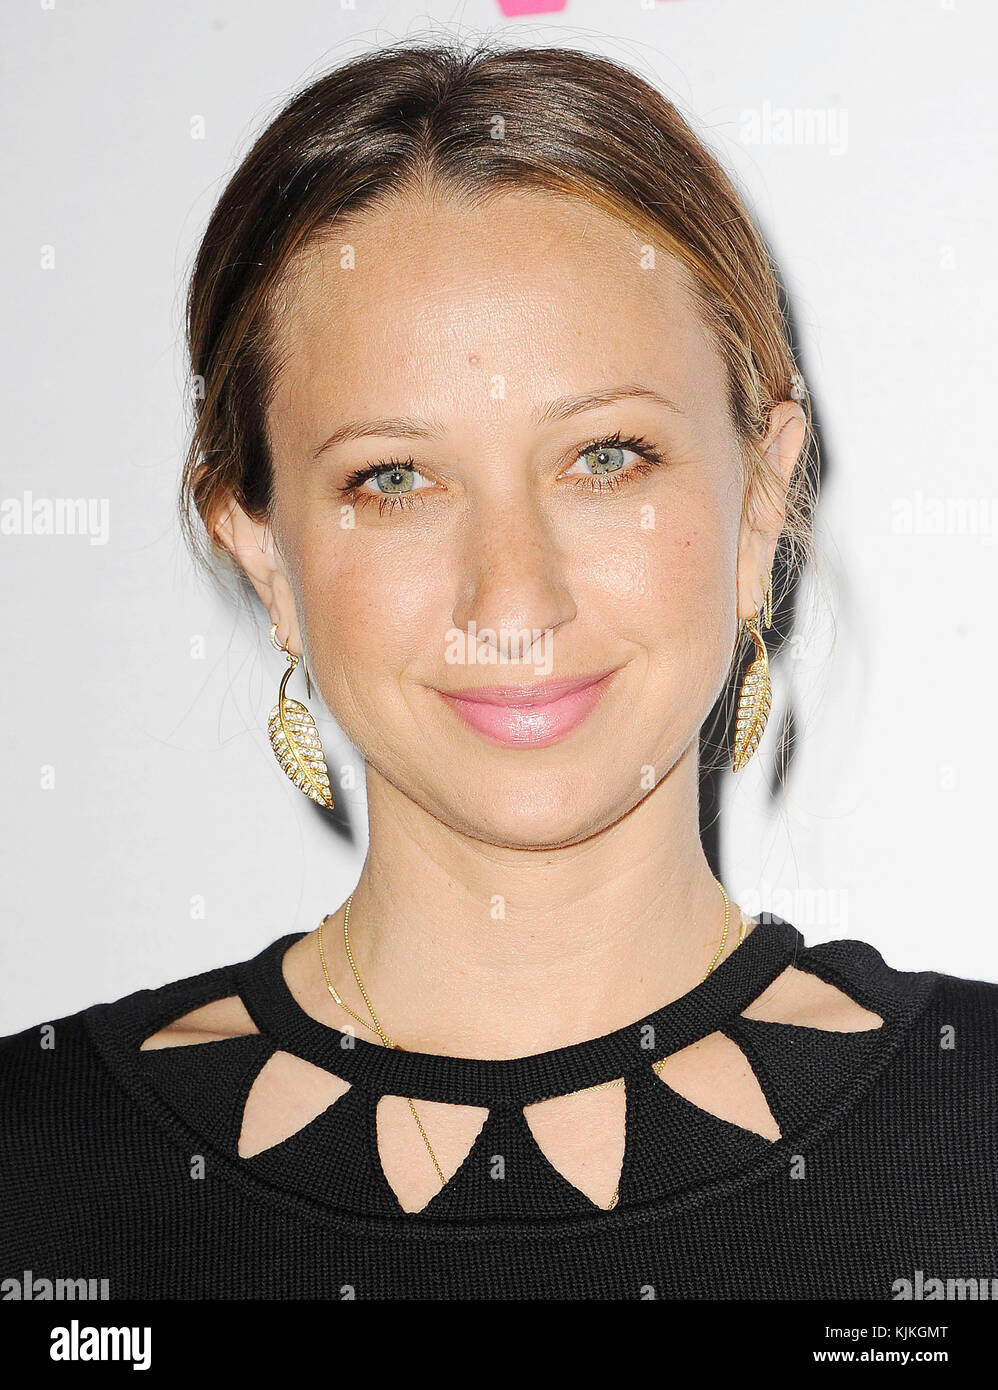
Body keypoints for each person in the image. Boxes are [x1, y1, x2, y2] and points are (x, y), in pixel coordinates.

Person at [2, 37, 996, 1301]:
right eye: (394, 479)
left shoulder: (976, 1145)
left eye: (605, 457)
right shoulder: (35, 1171)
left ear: (759, 501)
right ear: (262, 553)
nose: (510, 599)